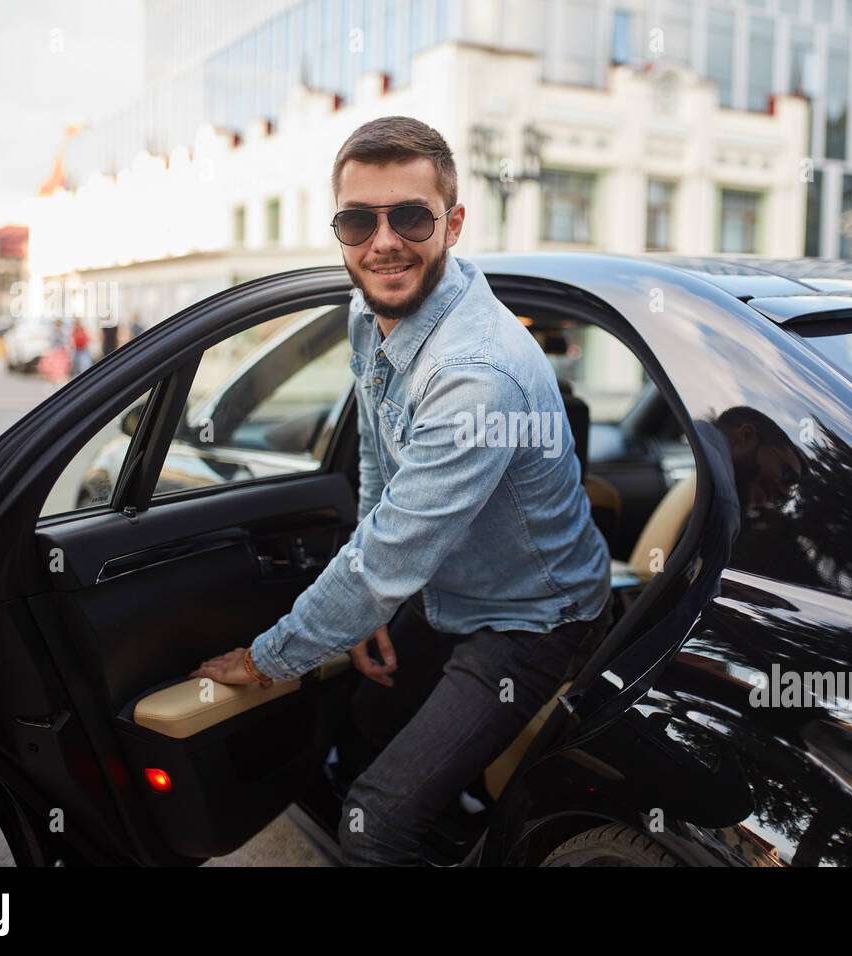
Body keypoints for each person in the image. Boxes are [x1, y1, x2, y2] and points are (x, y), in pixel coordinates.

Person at [190, 116, 612, 866]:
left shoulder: (476, 377)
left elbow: (389, 557)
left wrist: (268, 658)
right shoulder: (370, 307)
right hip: (450, 589)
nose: (383, 240)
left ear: (451, 223)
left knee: (371, 825)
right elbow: (382, 466)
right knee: (361, 723)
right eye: (359, 220)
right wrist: (371, 611)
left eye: (410, 217)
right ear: (341, 232)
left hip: (534, 618)